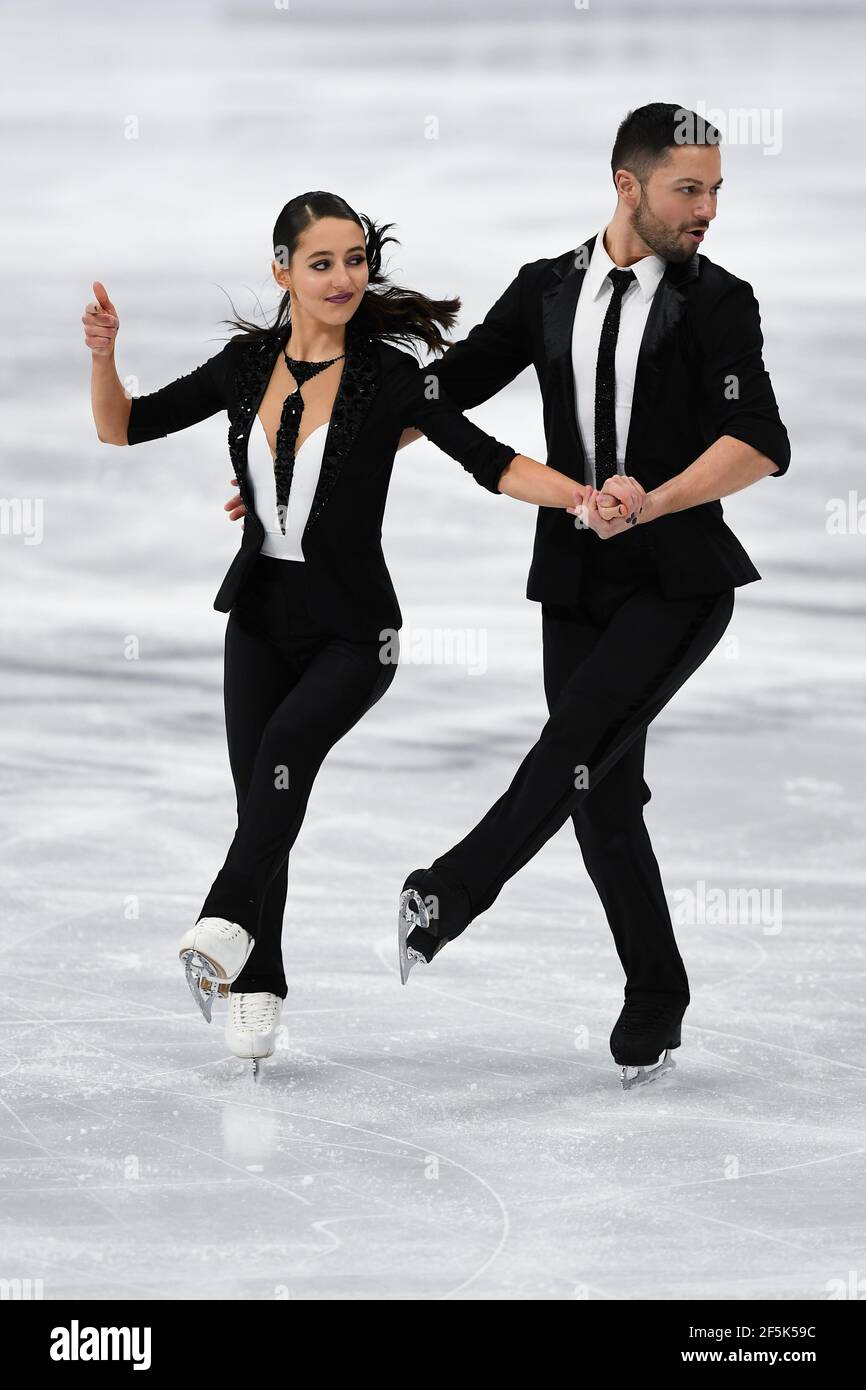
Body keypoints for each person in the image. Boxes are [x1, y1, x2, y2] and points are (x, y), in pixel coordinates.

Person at [84, 190, 587, 1078]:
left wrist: (581, 497)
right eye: (322, 263)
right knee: (263, 802)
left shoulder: (390, 377)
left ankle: (217, 922)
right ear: (282, 270)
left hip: (358, 633)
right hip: (259, 619)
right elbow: (123, 426)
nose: (344, 278)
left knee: (283, 754)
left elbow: (489, 460)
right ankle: (259, 982)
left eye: (356, 260)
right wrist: (104, 354)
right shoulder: (245, 366)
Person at [389, 103, 790, 1089]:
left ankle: (449, 891)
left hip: (678, 576)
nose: (703, 211)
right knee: (599, 794)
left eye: (713, 193)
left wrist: (652, 498)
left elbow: (758, 441)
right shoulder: (542, 291)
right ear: (626, 186)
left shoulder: (716, 301)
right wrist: (309, 455)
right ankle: (655, 991)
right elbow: (438, 396)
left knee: (569, 747)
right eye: (684, 190)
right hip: (572, 577)